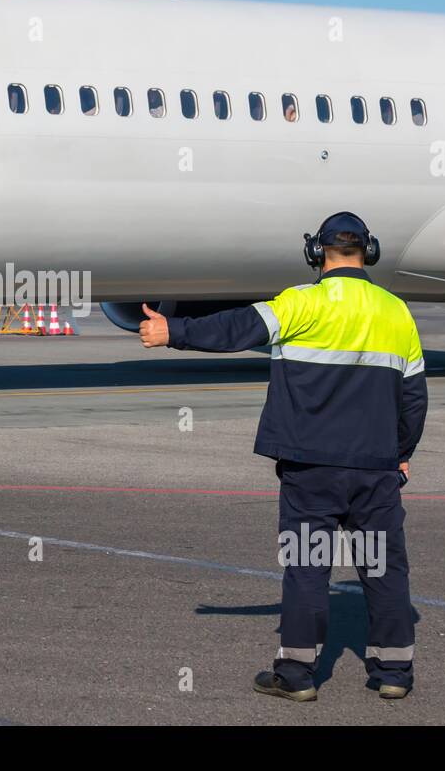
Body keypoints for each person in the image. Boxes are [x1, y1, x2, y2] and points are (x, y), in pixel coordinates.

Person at [138, 212, 427, 701]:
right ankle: (394, 675)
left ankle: (296, 677)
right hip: (375, 470)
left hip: (310, 469)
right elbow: (414, 397)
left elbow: (238, 328)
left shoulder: (301, 304)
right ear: (368, 252)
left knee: (307, 569)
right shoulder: (396, 312)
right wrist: (401, 453)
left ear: (317, 253)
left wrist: (174, 331)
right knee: (382, 568)